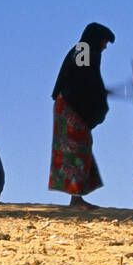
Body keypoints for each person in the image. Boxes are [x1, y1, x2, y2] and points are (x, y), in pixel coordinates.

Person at [50, 22, 115, 208]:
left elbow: (87, 80)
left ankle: (77, 196)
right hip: (71, 107)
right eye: (104, 42)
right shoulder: (84, 50)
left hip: (72, 105)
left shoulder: (84, 52)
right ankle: (76, 198)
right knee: (76, 149)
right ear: (98, 39)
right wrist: (97, 93)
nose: (104, 47)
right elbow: (81, 81)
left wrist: (98, 92)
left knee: (81, 147)